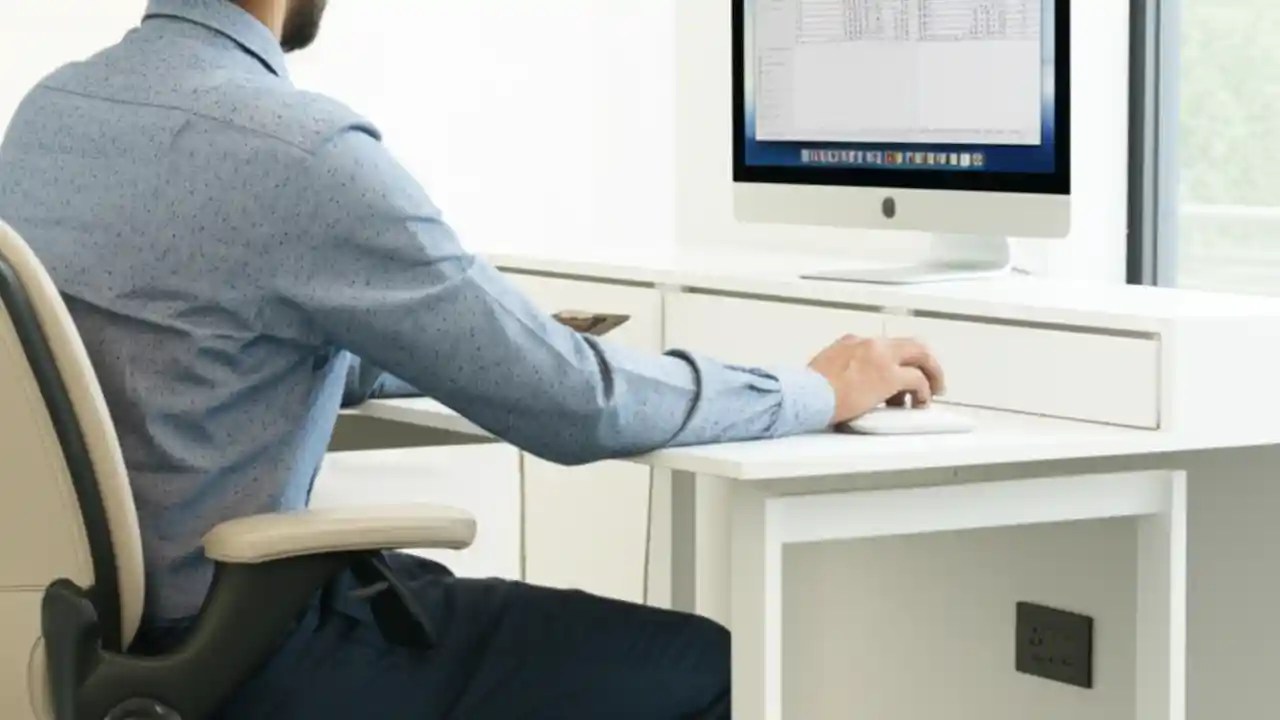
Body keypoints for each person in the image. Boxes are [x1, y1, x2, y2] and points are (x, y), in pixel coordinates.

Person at [0, 0, 945, 717]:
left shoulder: (52, 113)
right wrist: (816, 388)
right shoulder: (301, 151)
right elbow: (581, 408)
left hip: (86, 639)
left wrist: (471, 341)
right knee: (727, 671)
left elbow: (183, 343)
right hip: (248, 656)